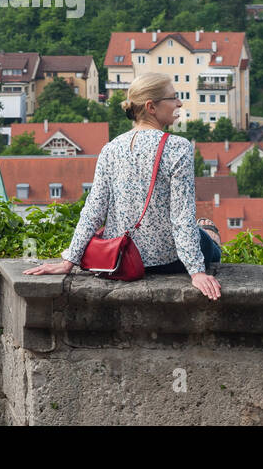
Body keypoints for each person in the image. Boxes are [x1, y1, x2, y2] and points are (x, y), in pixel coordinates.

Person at [24, 73, 222, 300]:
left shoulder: (111, 148)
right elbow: (181, 215)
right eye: (173, 98)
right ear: (151, 107)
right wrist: (197, 273)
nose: (179, 103)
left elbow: (94, 210)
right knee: (210, 245)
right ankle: (211, 233)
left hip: (120, 258)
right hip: (167, 260)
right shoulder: (178, 147)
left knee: (198, 233)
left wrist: (69, 261)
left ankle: (207, 232)